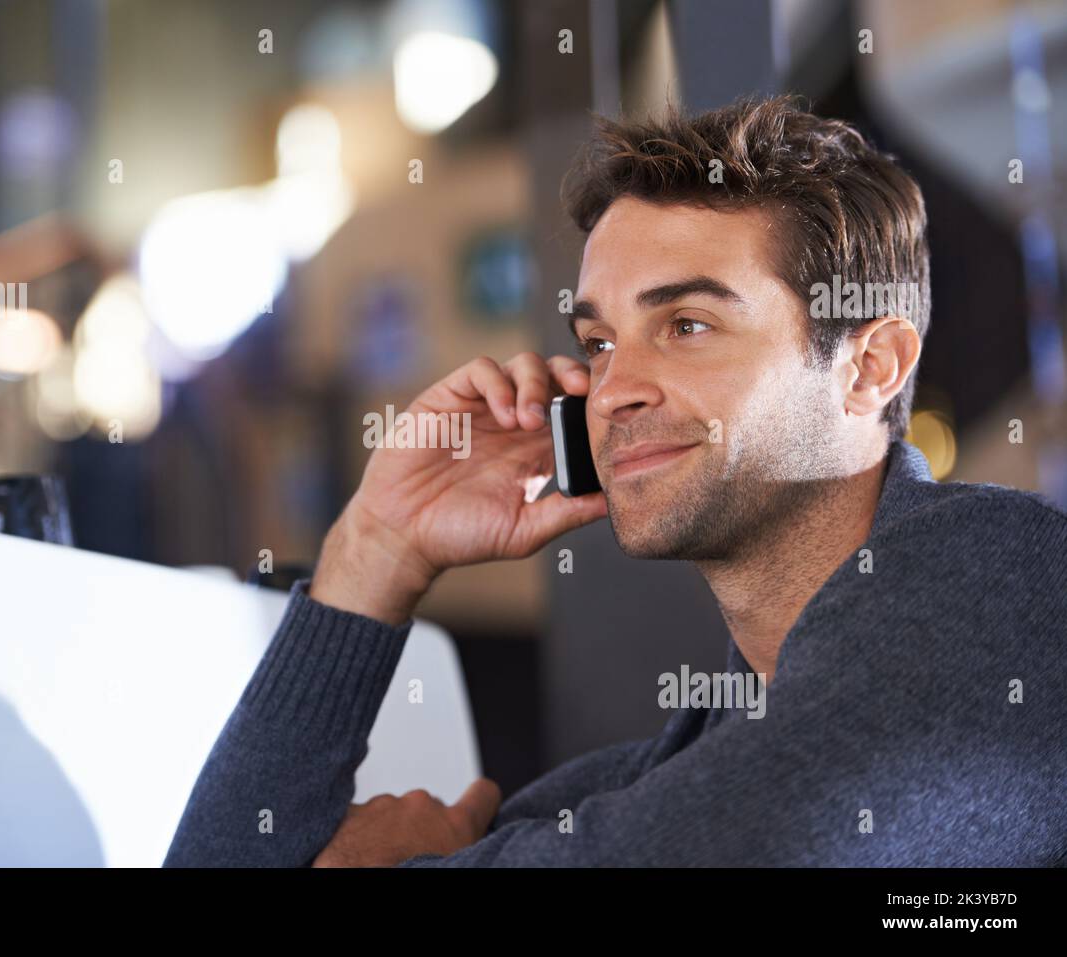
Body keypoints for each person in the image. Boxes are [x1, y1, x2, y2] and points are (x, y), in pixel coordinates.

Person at [164, 94, 1067, 867]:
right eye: (598, 343)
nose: (612, 390)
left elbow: (765, 841)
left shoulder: (1005, 571)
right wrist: (377, 546)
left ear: (870, 367)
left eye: (687, 324)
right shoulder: (651, 779)